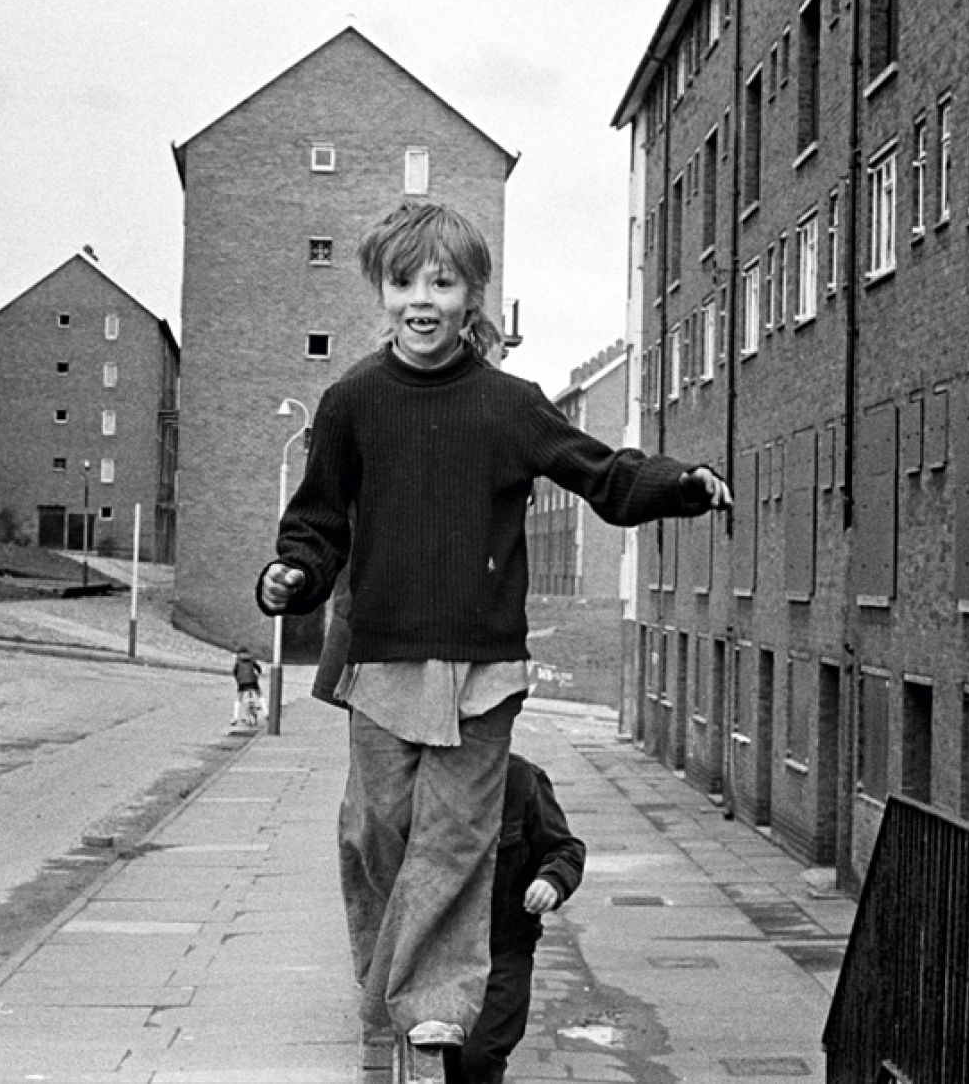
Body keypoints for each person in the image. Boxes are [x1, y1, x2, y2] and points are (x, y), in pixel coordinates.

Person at [255, 200, 730, 1071]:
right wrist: (292, 576)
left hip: (482, 664)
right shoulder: (351, 402)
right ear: (384, 291)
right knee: (373, 832)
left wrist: (682, 484)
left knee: (456, 836)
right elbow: (316, 524)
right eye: (405, 283)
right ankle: (387, 991)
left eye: (443, 281)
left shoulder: (510, 406)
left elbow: (603, 475)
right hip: (383, 658)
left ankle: (432, 1004)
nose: (421, 299)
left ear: (475, 296)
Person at [462, 751, 586, 1084]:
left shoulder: (520, 779)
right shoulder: (420, 777)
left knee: (480, 1054)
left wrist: (551, 881)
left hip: (504, 948)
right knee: (442, 1056)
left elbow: (565, 848)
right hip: (439, 953)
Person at [230, 645, 263, 730]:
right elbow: (258, 668)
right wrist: (258, 674)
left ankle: (235, 717)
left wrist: (237, 679)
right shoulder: (251, 658)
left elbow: (234, 671)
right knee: (260, 695)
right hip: (253, 681)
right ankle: (266, 712)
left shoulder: (238, 660)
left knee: (238, 699)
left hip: (242, 683)